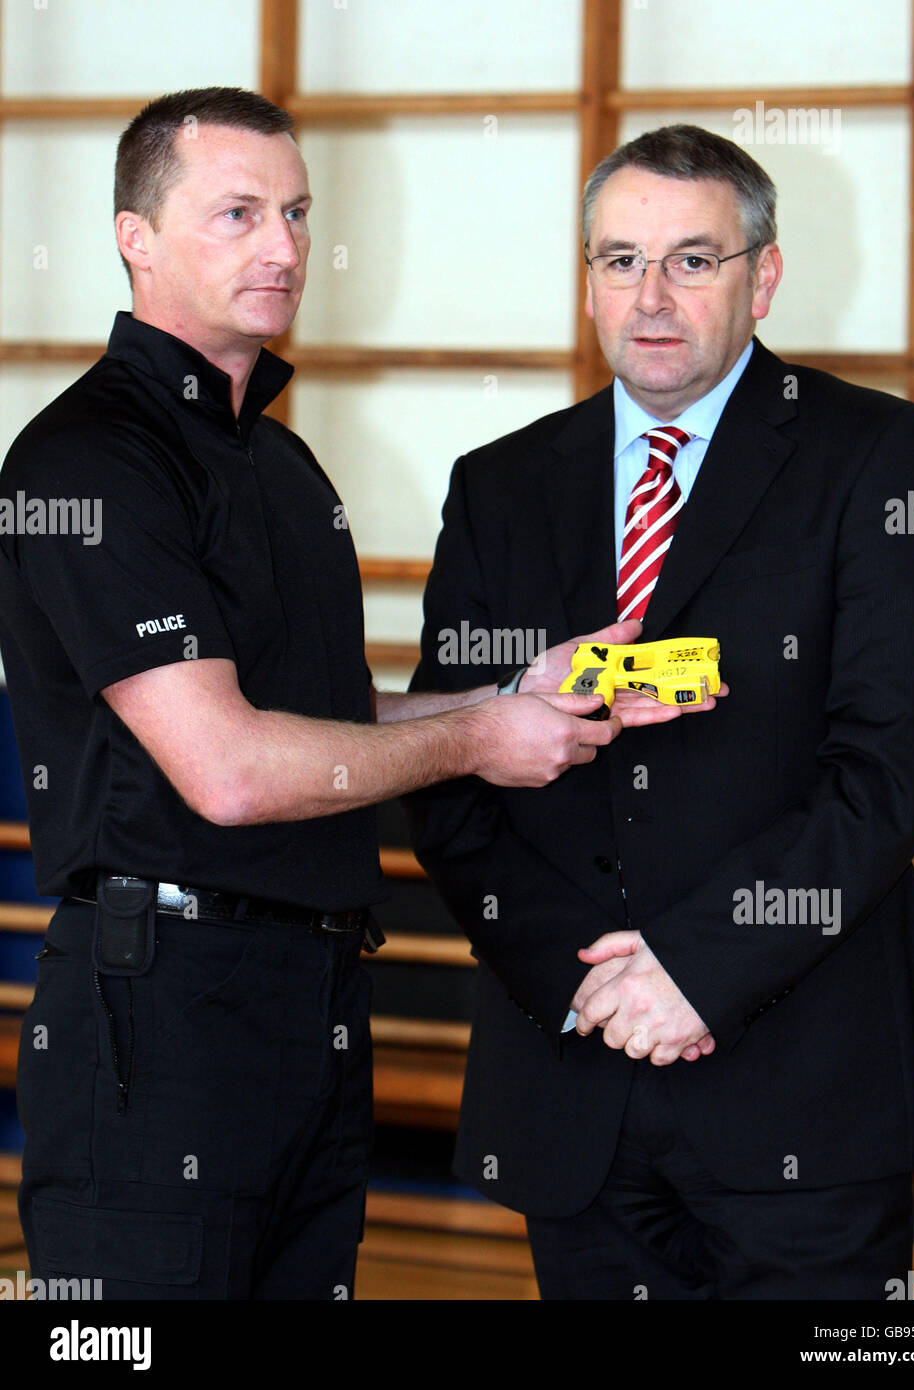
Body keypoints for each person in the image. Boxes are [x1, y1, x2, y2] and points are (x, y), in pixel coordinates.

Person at [0, 86, 678, 1300]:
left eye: (299, 213)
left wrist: (518, 693)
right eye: (238, 213)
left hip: (312, 1003)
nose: (284, 247)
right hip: (163, 1014)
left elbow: (328, 725)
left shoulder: (281, 461)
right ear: (134, 236)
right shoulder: (85, 460)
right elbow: (231, 768)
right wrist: (481, 738)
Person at [405, 124, 914, 1300]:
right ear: (585, 281)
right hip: (572, 1079)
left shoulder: (874, 453)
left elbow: (888, 772)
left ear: (761, 277)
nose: (651, 296)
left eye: (692, 259)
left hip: (802, 1083)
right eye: (619, 260)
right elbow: (446, 760)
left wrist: (694, 971)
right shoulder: (499, 483)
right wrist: (583, 982)